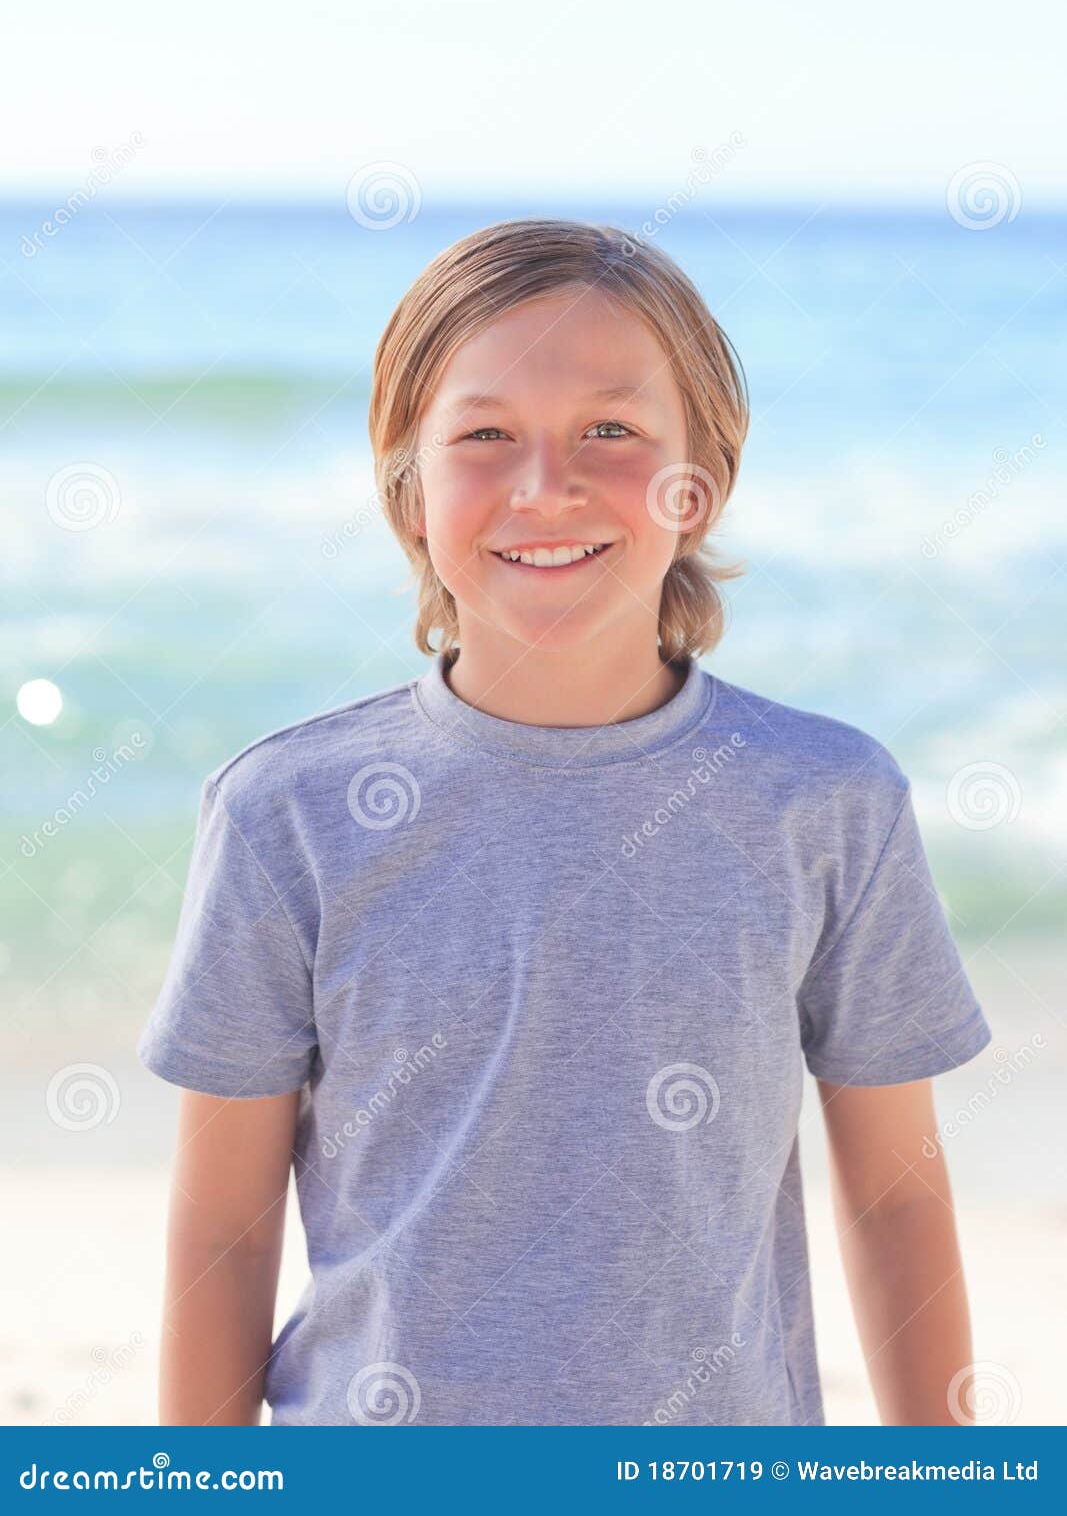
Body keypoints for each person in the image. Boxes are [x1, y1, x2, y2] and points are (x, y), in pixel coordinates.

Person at [138, 218, 992, 1427]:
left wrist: (936, 1477)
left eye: (612, 430)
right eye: (484, 435)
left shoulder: (825, 799)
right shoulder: (288, 814)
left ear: (701, 479)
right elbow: (225, 1219)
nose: (547, 485)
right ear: (407, 486)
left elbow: (895, 1194)